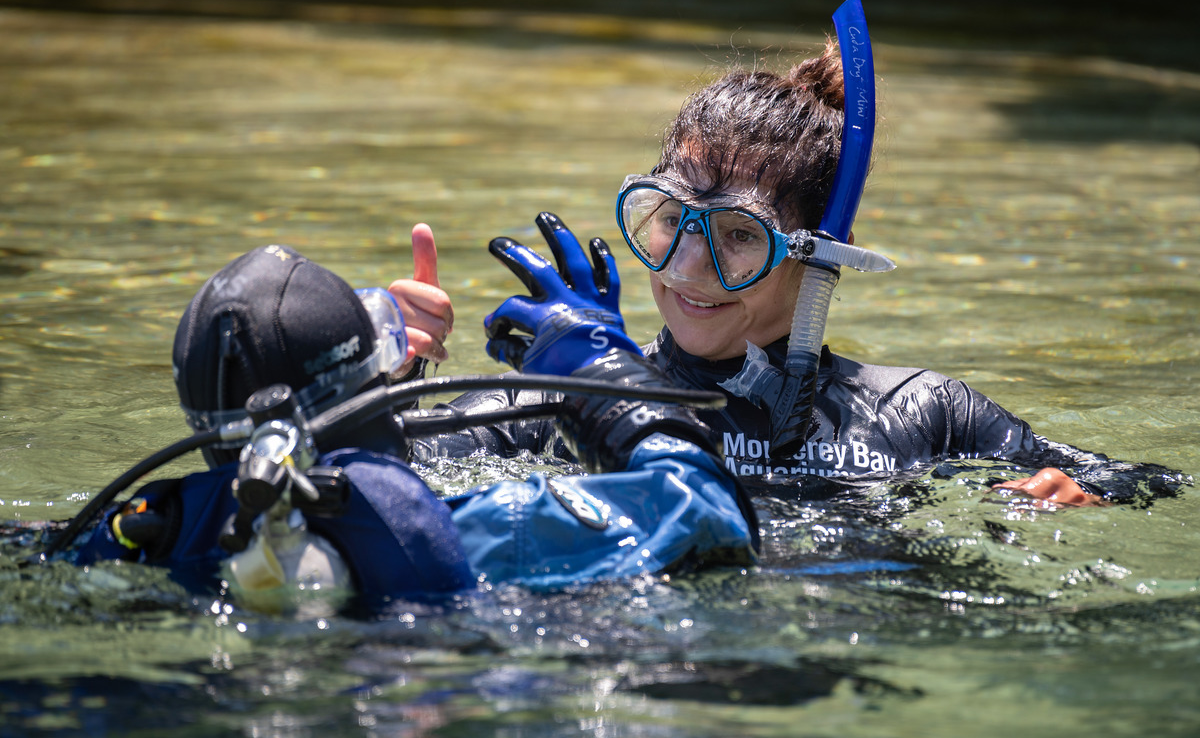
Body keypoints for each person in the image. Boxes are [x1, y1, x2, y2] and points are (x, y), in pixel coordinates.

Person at [393, 27, 1185, 508]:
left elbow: (1152, 482)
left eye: (738, 236)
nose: (688, 267)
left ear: (818, 257)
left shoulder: (920, 416)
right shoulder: (581, 389)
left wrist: (1075, 494)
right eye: (669, 222)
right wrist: (398, 373)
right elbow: (385, 469)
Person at [72, 243, 757, 615]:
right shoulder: (483, 530)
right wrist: (610, 379)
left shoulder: (150, 527)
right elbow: (709, 512)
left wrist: (382, 393)